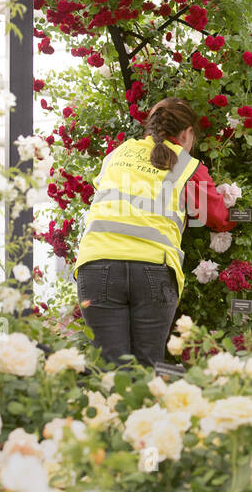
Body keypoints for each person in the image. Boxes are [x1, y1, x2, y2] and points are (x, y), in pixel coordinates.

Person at [73, 97, 236, 366]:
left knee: (111, 371)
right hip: (153, 269)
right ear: (187, 134)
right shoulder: (185, 165)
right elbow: (218, 217)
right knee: (147, 370)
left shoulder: (116, 155)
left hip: (96, 266)